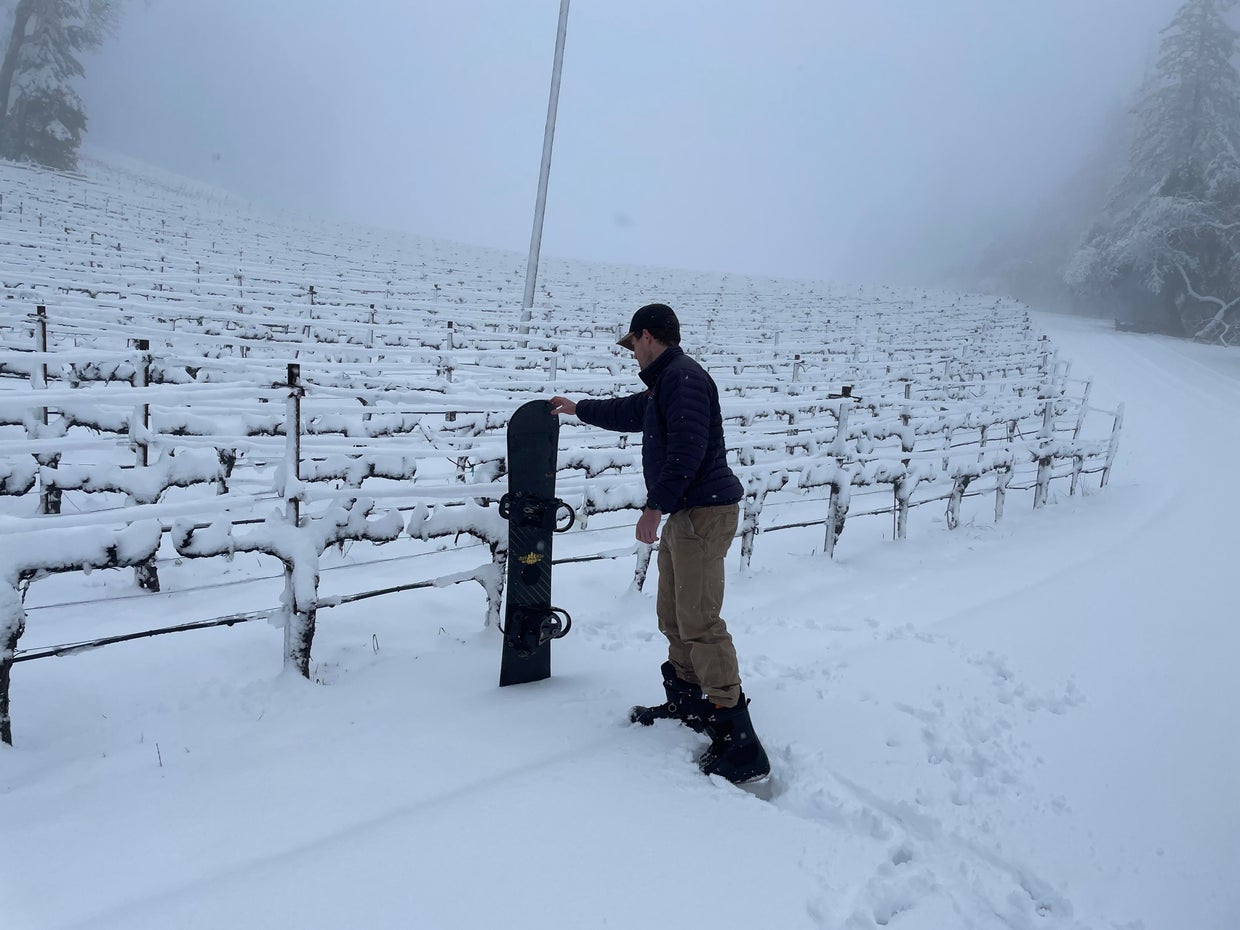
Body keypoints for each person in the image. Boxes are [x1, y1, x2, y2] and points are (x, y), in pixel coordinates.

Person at [550, 303, 770, 785]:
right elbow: (629, 411)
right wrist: (578, 409)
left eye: (633, 344)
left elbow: (688, 450)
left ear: (647, 336)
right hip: (686, 513)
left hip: (702, 513)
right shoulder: (665, 383)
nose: (632, 353)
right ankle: (689, 702)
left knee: (700, 621)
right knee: (673, 615)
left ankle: (739, 739)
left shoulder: (682, 379)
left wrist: (654, 506)